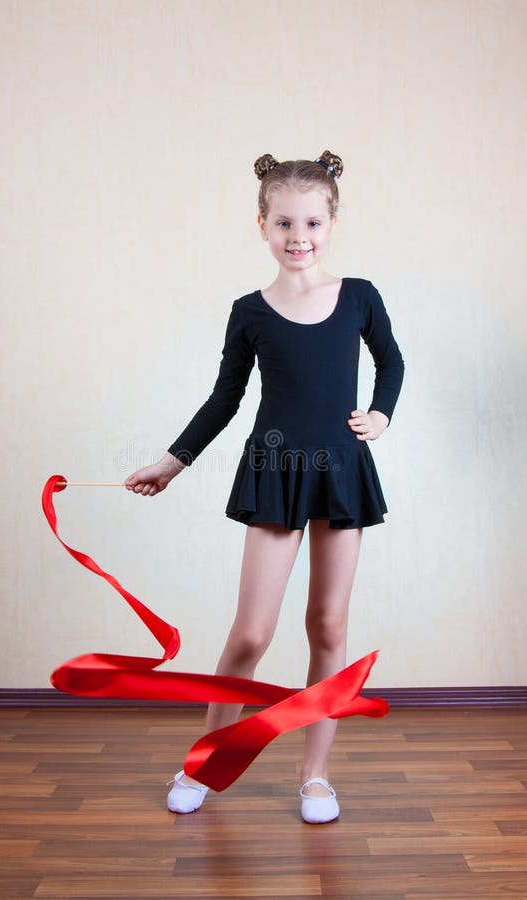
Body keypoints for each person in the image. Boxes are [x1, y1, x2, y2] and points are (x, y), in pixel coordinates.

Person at [124, 149, 405, 824]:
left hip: (341, 470)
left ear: (332, 222)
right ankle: (207, 760)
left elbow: (390, 358)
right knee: (251, 632)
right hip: (275, 474)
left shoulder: (360, 296)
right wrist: (174, 459)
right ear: (262, 225)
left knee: (328, 624)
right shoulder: (249, 310)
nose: (298, 235)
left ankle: (316, 776)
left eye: (311, 221)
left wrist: (382, 412)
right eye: (283, 222)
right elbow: (226, 397)